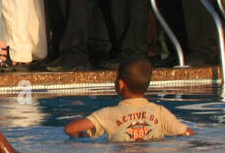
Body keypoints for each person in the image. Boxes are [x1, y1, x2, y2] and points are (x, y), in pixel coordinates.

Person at [64, 58, 193, 142]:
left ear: (120, 84)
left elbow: (70, 129)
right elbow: (188, 134)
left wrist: (83, 135)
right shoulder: (159, 111)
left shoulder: (108, 113)